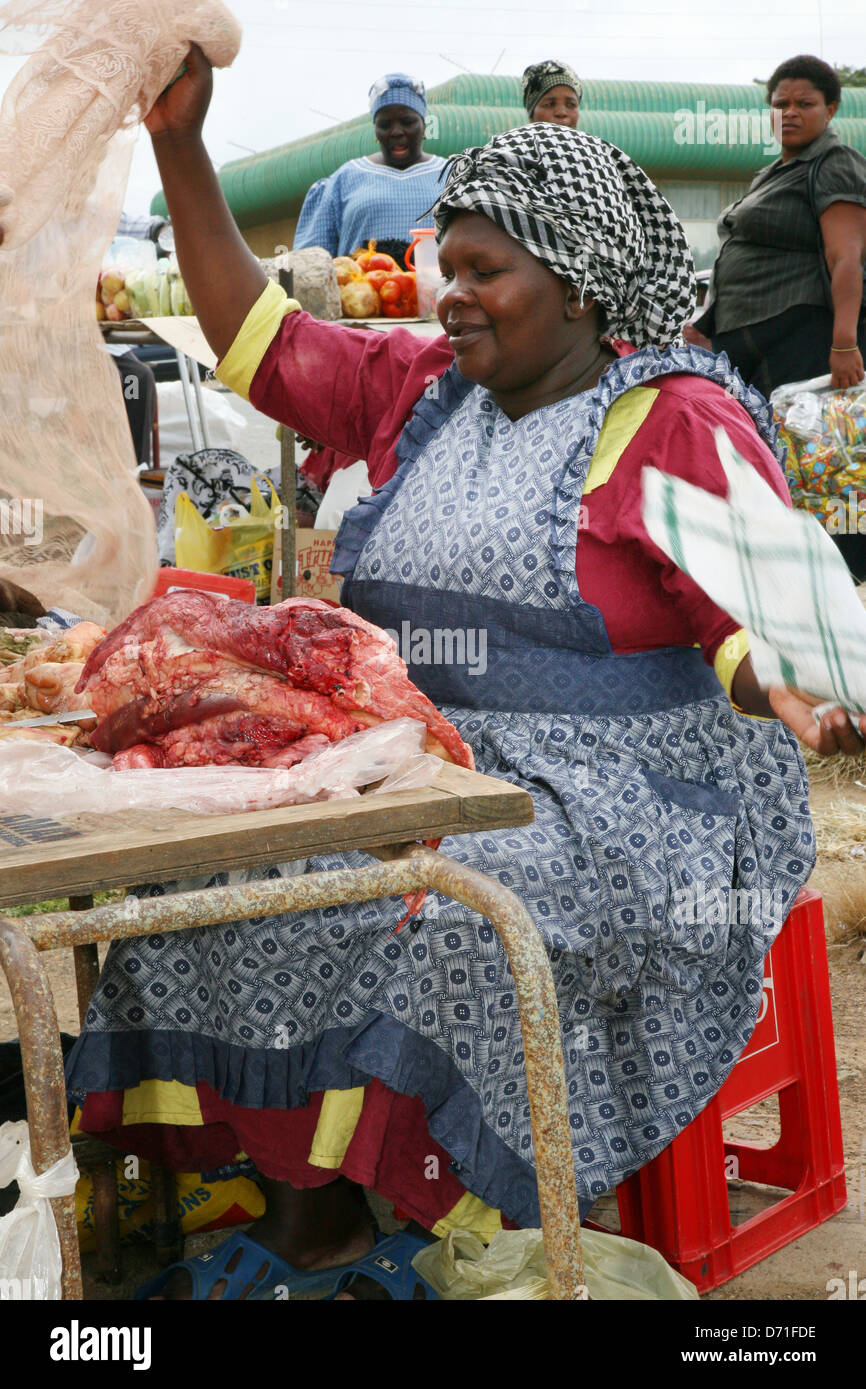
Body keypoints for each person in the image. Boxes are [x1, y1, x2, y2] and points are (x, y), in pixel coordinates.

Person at [62, 44, 866, 1301]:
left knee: (438, 919)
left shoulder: (672, 418)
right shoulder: (430, 389)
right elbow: (262, 346)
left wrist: (798, 681)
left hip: (636, 808)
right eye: (448, 266)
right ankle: (302, 1206)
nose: (450, 295)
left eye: (485, 271)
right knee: (233, 870)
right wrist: (180, 147)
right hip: (434, 760)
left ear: (583, 282)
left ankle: (438, 1205)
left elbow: (776, 622)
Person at [696, 55, 866, 396]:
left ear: (830, 110)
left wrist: (845, 343)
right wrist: (705, 326)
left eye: (805, 104)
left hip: (799, 341)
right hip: (749, 343)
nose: (790, 112)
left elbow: (846, 257)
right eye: (780, 104)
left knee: (792, 444)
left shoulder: (835, 163)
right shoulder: (771, 173)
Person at [293, 72, 446, 266]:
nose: (397, 132)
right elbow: (310, 264)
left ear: (423, 125)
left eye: (407, 122)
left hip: (438, 294)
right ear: (375, 130)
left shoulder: (452, 177)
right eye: (385, 124)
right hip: (360, 294)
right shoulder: (344, 180)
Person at [522, 59, 582, 129]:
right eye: (549, 104)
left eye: (571, 104)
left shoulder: (592, 140)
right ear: (531, 116)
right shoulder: (514, 139)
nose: (561, 112)